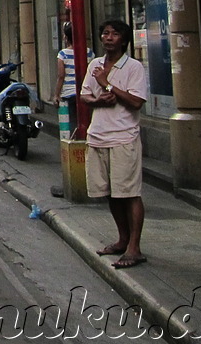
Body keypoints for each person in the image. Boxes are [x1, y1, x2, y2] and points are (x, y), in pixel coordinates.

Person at [80, 19, 148, 270]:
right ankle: (122, 239)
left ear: (123, 39)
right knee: (109, 192)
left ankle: (135, 247)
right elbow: (85, 95)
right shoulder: (95, 65)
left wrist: (108, 85)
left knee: (129, 192)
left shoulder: (134, 67)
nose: (108, 38)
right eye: (105, 33)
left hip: (123, 137)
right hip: (98, 135)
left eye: (114, 34)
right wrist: (99, 100)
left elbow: (137, 101)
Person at [54, 23, 94, 140]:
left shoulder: (63, 54)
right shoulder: (89, 52)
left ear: (66, 37)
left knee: (72, 121)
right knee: (87, 119)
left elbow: (61, 76)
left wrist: (57, 94)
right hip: (86, 92)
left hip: (69, 93)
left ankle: (73, 144)